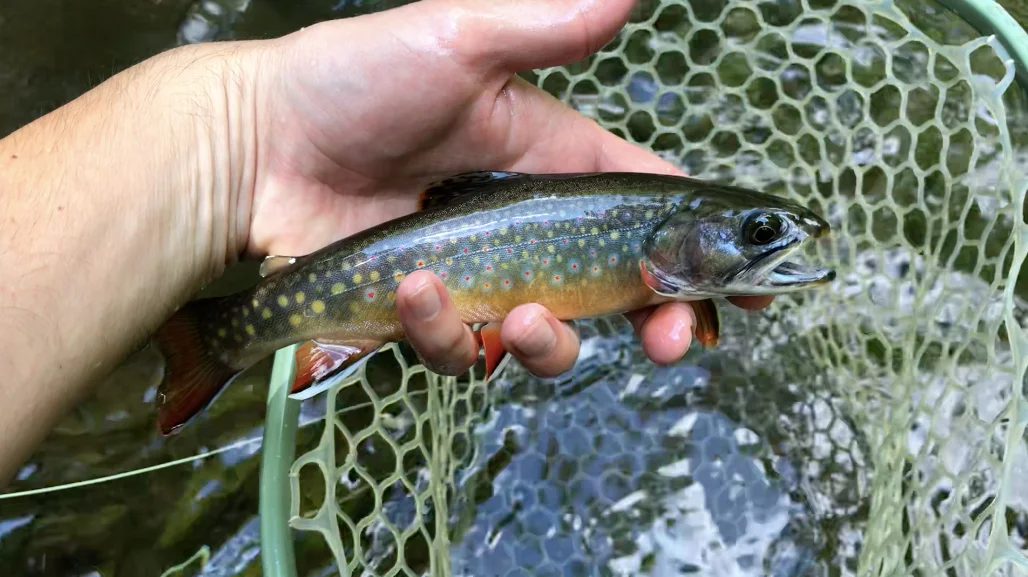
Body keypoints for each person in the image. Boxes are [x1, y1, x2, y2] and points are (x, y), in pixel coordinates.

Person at [0, 0, 773, 486]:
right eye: (757, 232)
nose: (766, 244)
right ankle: (217, 336)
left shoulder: (676, 273)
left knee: (486, 320)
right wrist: (251, 132)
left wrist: (247, 137)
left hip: (410, 252)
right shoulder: (657, 246)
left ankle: (226, 333)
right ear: (686, 233)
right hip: (396, 259)